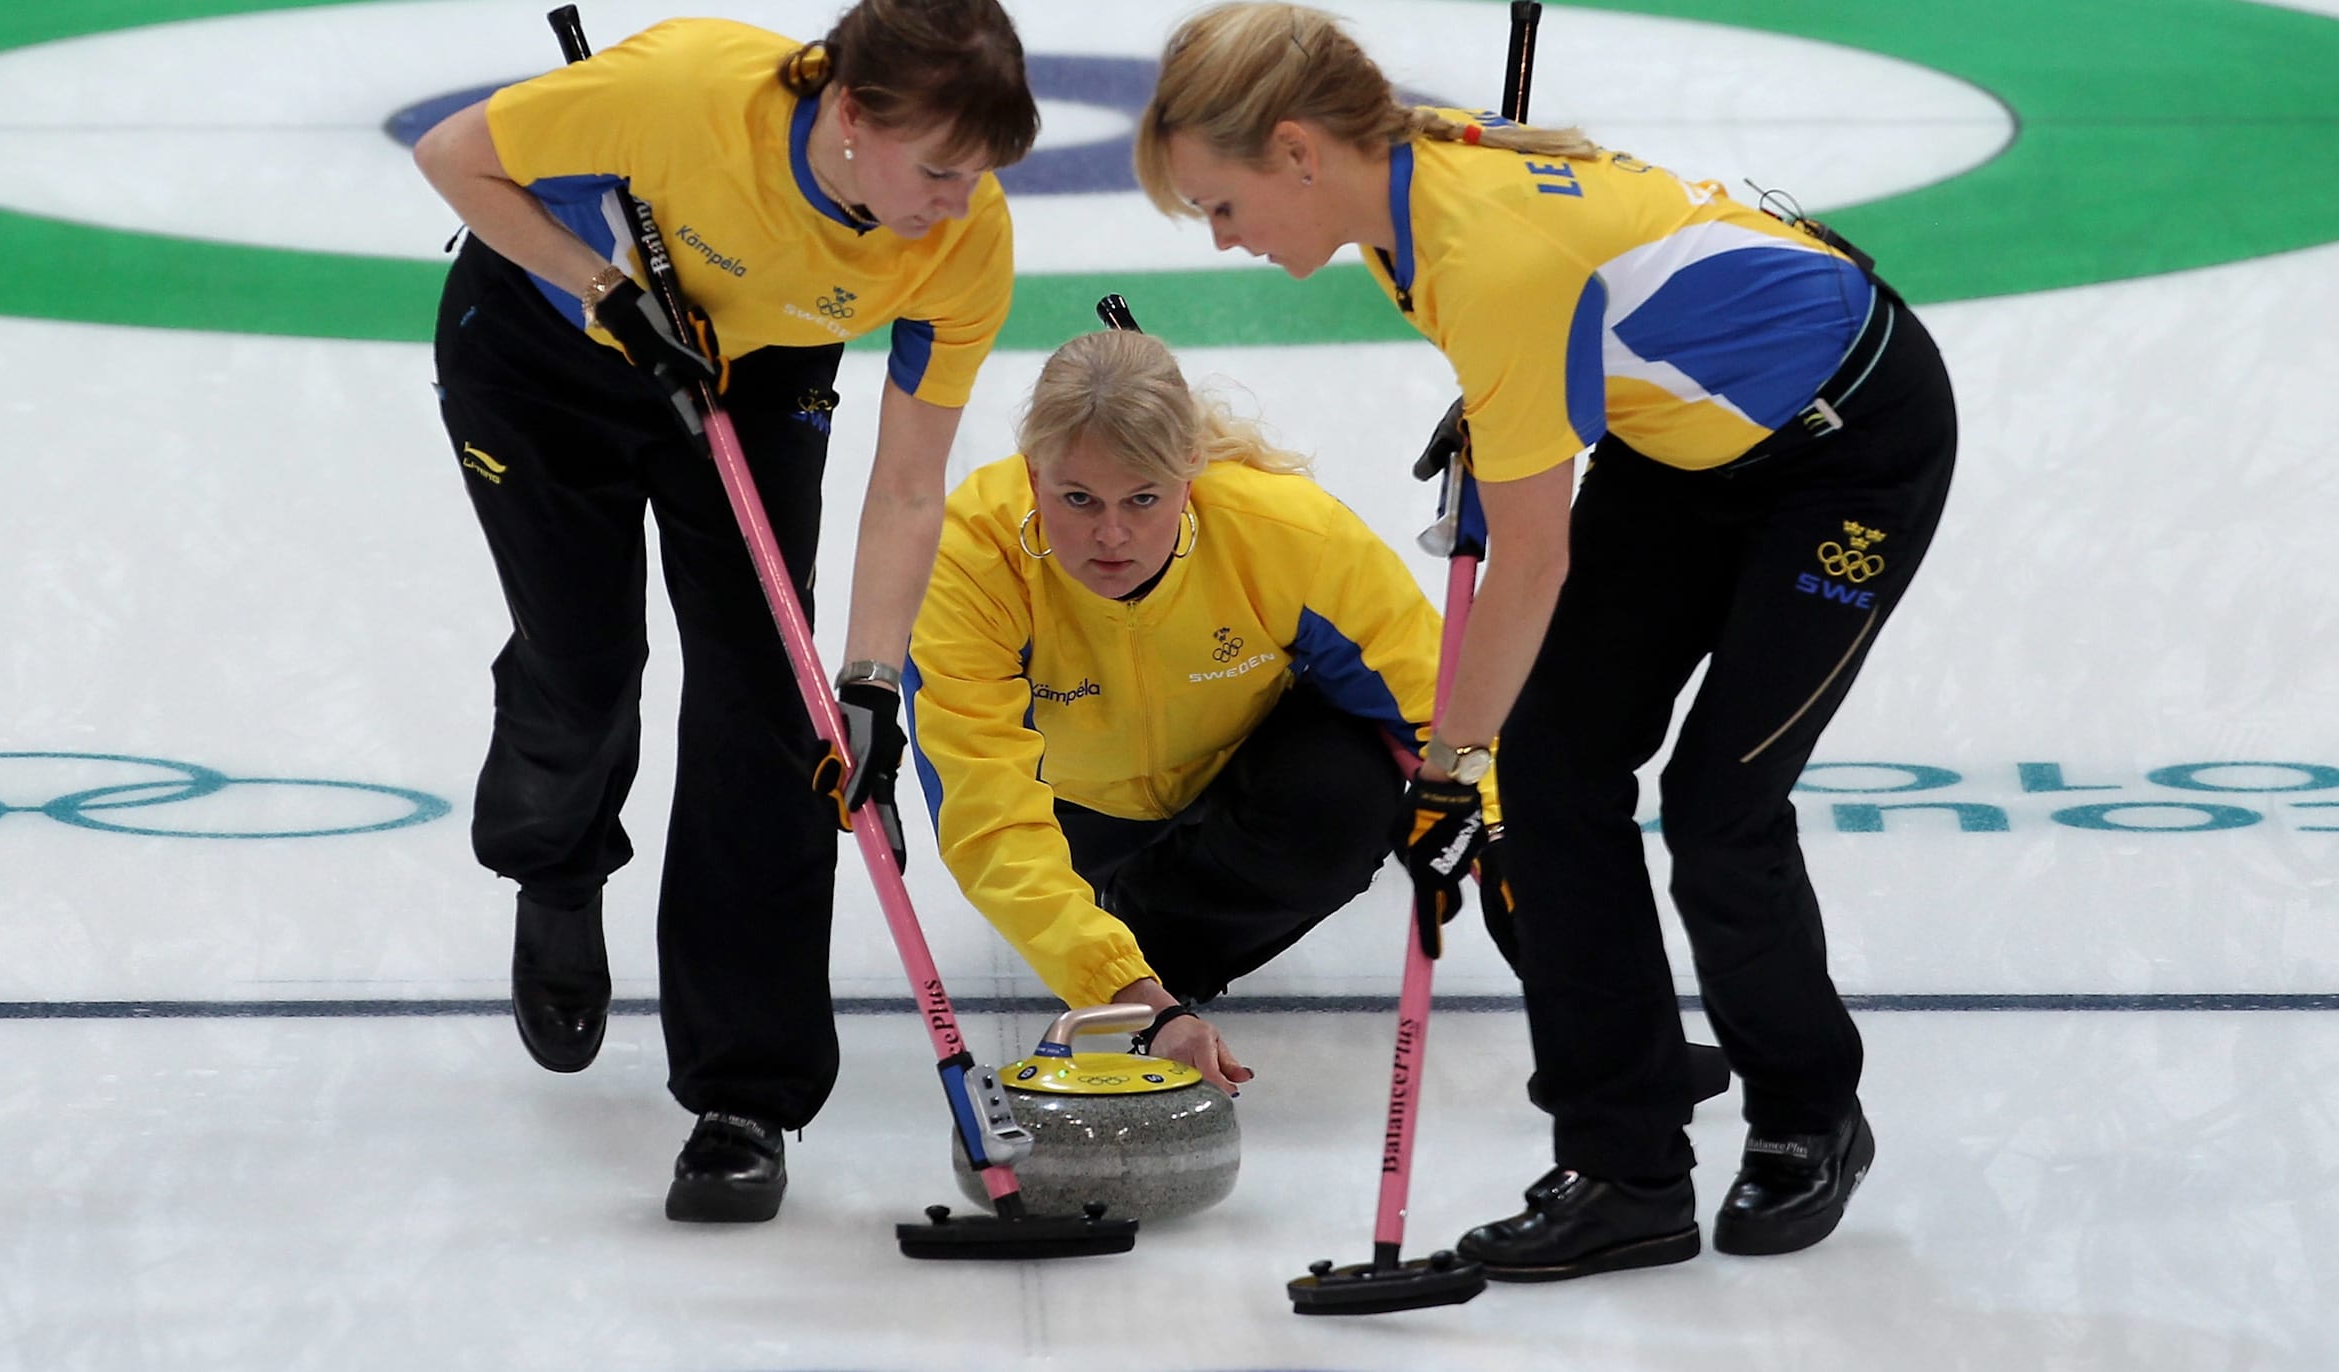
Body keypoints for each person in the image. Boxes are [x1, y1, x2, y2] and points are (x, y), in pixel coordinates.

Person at [1136, 3, 1957, 1279]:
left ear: (1298, 151)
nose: (1225, 240)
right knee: (1559, 775)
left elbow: (1532, 557)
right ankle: (1625, 1164)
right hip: (1679, 443)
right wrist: (1511, 404)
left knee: (1718, 804)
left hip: (1845, 452)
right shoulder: (1402, 208)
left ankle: (1806, 1112)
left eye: (1221, 205)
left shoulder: (1480, 252)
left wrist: (1447, 764)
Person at [411, 0, 1036, 1223]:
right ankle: (557, 867)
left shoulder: (963, 242)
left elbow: (909, 486)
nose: (960, 202)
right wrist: (603, 287)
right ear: (852, 114)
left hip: (750, 379)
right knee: (584, 661)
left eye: (982, 175)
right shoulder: (687, 94)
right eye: (943, 169)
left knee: (776, 709)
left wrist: (866, 678)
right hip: (544, 349)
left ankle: (744, 1095)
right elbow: (454, 156)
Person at [904, 327, 1502, 1089]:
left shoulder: (1284, 533)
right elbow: (985, 813)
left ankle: (1144, 936)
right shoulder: (967, 562)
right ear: (1033, 473)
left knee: (1351, 793)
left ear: (1191, 475)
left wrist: (1508, 851)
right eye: (1077, 498)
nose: (1111, 535)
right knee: (1090, 932)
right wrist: (1140, 1003)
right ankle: (1120, 935)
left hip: (1244, 779)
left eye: (1143, 499)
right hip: (1079, 820)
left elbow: (1444, 709)